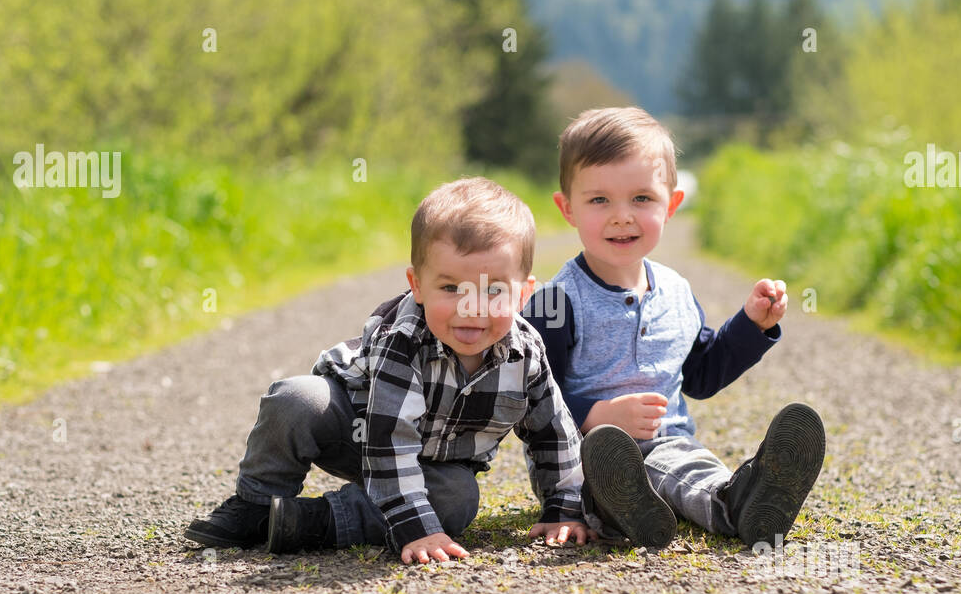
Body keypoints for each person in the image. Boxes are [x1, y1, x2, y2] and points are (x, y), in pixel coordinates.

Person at [184, 177, 597, 563]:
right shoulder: (404, 339)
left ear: (525, 293)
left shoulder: (525, 353)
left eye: (493, 290)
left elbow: (552, 432)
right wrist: (413, 529)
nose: (471, 307)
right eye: (450, 288)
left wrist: (563, 507)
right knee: (296, 398)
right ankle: (257, 504)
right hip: (359, 427)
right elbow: (389, 438)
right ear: (417, 285)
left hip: (435, 462)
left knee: (456, 498)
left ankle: (312, 521)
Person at [522, 107, 826, 551]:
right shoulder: (555, 301)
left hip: (670, 443)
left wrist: (751, 326)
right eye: (599, 200)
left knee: (688, 470)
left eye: (642, 199)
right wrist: (597, 415)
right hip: (582, 457)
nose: (622, 216)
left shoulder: (676, 291)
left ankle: (746, 499)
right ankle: (620, 507)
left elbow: (702, 375)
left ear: (673, 205)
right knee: (607, 473)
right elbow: (531, 395)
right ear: (567, 208)